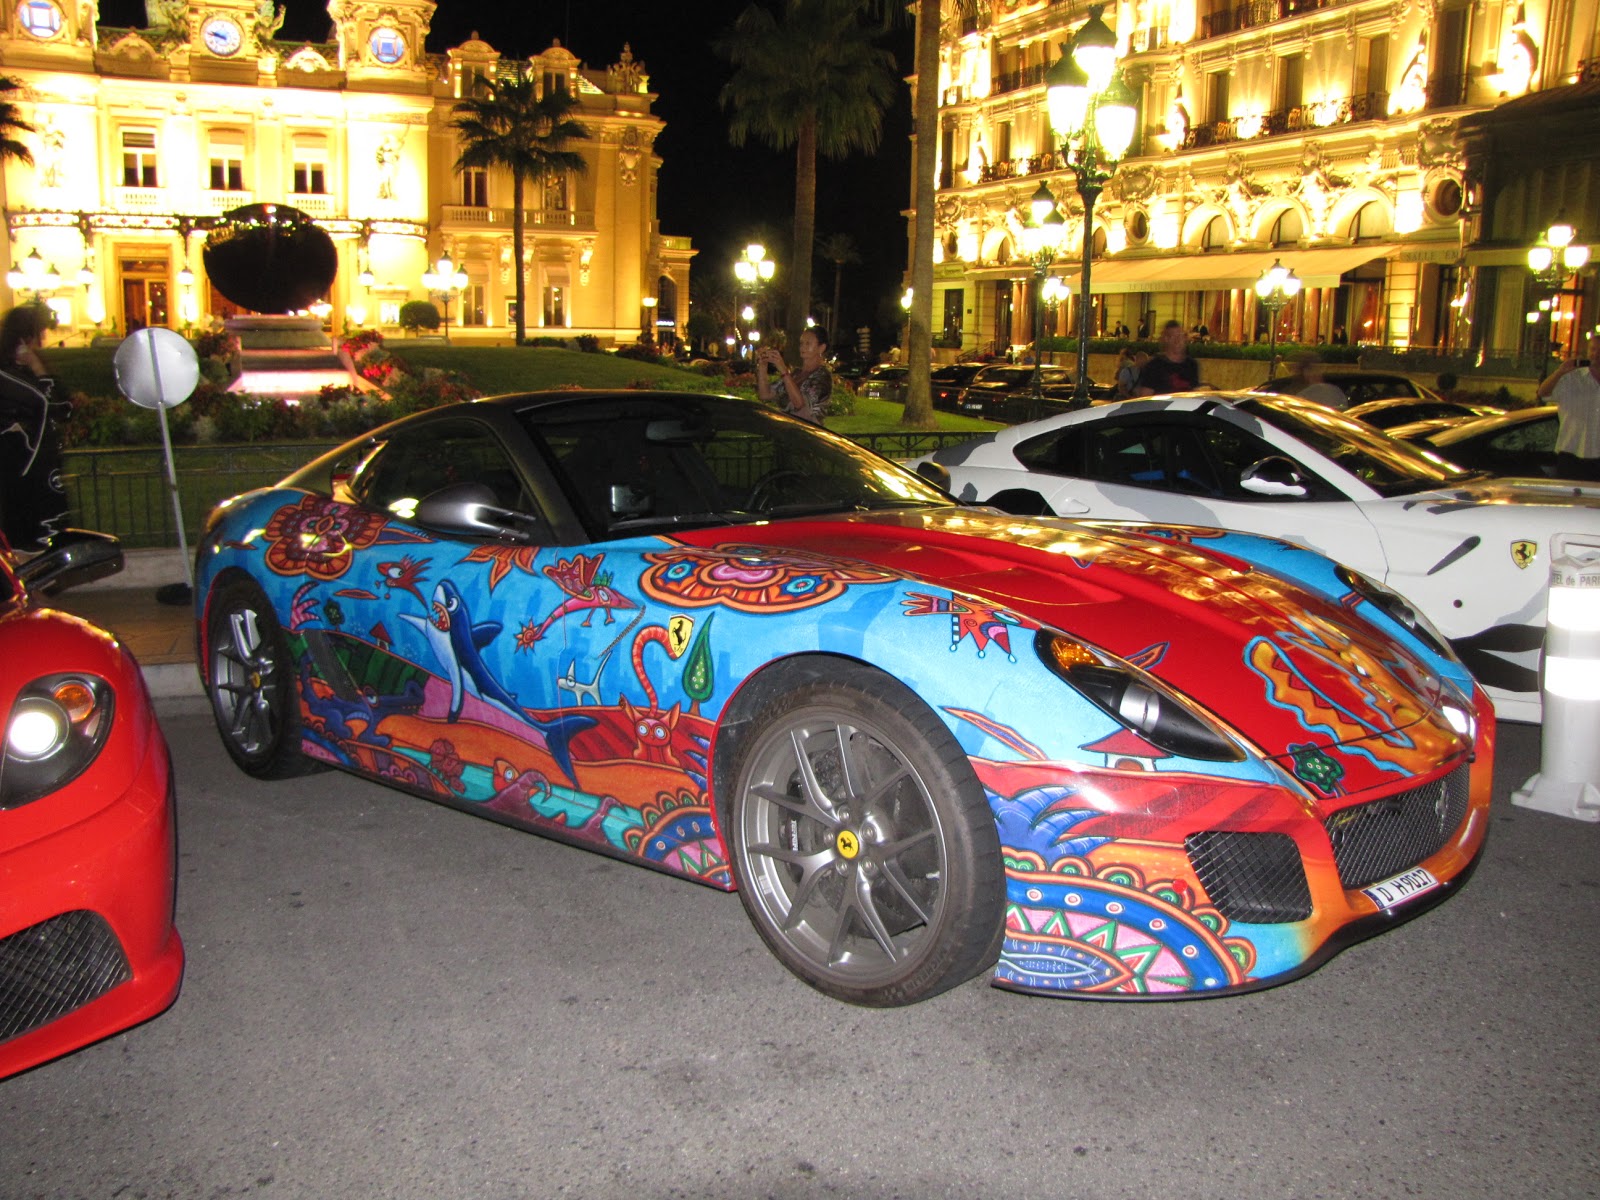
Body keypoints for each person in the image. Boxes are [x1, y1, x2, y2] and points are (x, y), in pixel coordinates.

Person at [0, 304, 68, 552]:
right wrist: (38, 369)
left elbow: (64, 406)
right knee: (30, 544)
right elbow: (56, 405)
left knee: (44, 542)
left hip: (41, 471)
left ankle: (34, 590)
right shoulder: (9, 379)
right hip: (24, 472)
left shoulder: (24, 375)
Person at [1540, 332, 1600, 481]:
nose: (1596, 355)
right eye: (1593, 349)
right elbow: (1543, 393)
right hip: (1572, 454)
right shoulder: (1572, 378)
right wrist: (1560, 372)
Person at [757, 326, 832, 425]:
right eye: (801, 343)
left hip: (808, 433)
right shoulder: (796, 374)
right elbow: (765, 395)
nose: (802, 347)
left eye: (808, 343)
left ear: (821, 348)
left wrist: (783, 370)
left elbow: (799, 404)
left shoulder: (822, 376)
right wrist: (762, 366)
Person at [1133, 321, 1200, 396]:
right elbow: (1146, 395)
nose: (1177, 341)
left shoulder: (1191, 364)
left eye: (1180, 336)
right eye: (1173, 337)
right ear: (1166, 339)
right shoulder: (1154, 366)